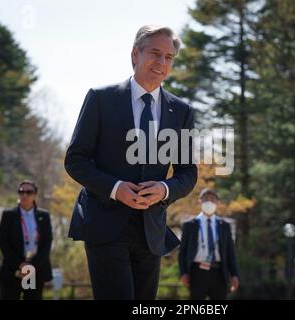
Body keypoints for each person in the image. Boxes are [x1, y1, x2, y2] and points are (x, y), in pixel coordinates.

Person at [64, 25, 197, 300]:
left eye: (169, 57)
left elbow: (187, 173)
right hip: (105, 223)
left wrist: (164, 189)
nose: (161, 63)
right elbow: (75, 160)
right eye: (155, 53)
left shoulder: (181, 112)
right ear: (135, 54)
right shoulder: (101, 99)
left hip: (151, 229)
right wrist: (115, 188)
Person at [178, 188, 239, 299]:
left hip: (219, 272)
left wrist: (234, 274)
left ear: (217, 202)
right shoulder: (190, 225)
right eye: (206, 199)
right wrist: (183, 272)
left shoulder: (224, 225)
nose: (209, 202)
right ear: (200, 201)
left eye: (212, 199)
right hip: (197, 272)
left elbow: (230, 252)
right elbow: (182, 252)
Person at [0, 180, 53, 300]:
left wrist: (31, 267)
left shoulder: (44, 216)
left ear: (35, 194)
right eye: (21, 191)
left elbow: (47, 244)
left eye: (29, 192)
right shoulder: (8, 215)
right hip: (13, 270)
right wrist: (21, 265)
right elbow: (4, 243)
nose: (24, 195)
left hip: (35, 271)